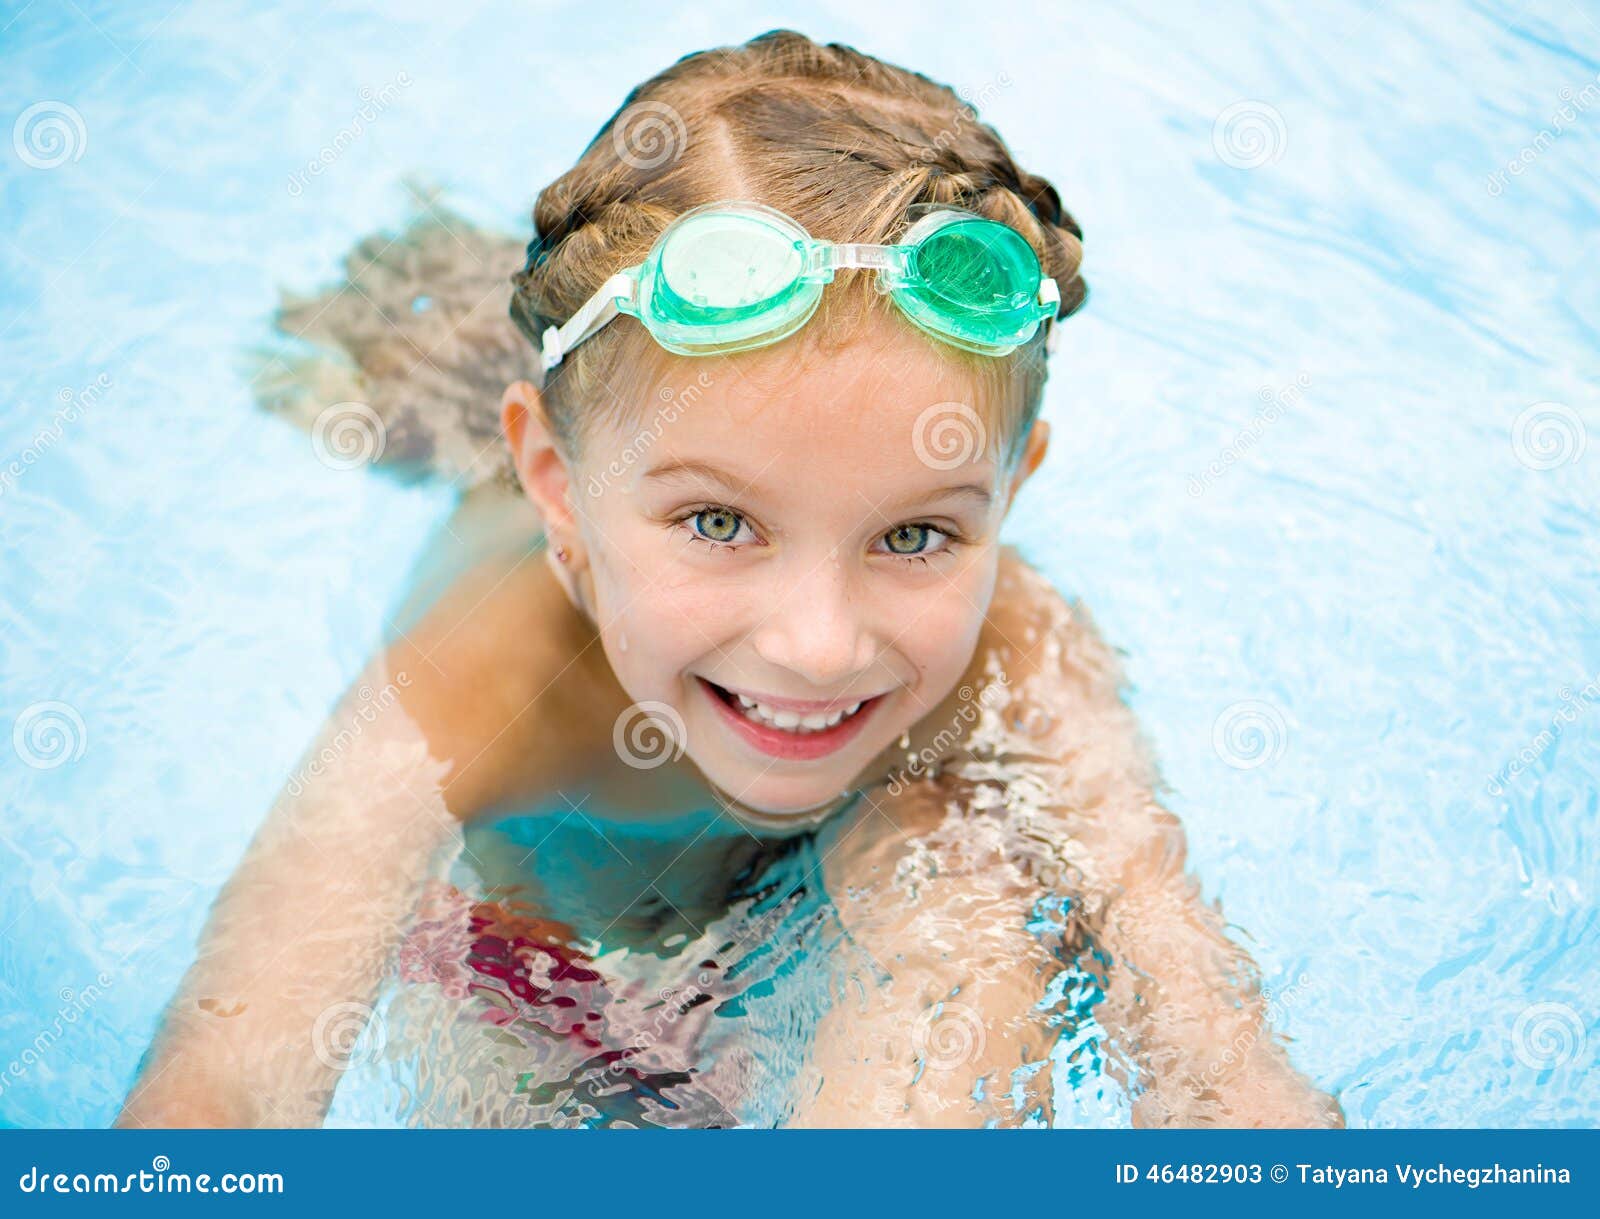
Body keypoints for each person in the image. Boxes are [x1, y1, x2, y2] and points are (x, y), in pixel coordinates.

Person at [116, 29, 1344, 1130]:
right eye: (717, 520)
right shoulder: (481, 678)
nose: (820, 646)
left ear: (1012, 486)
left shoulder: (1017, 647)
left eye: (914, 535)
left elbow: (1206, 1038)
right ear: (554, 486)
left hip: (835, 916)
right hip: (537, 970)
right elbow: (230, 1079)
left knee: (970, 870)